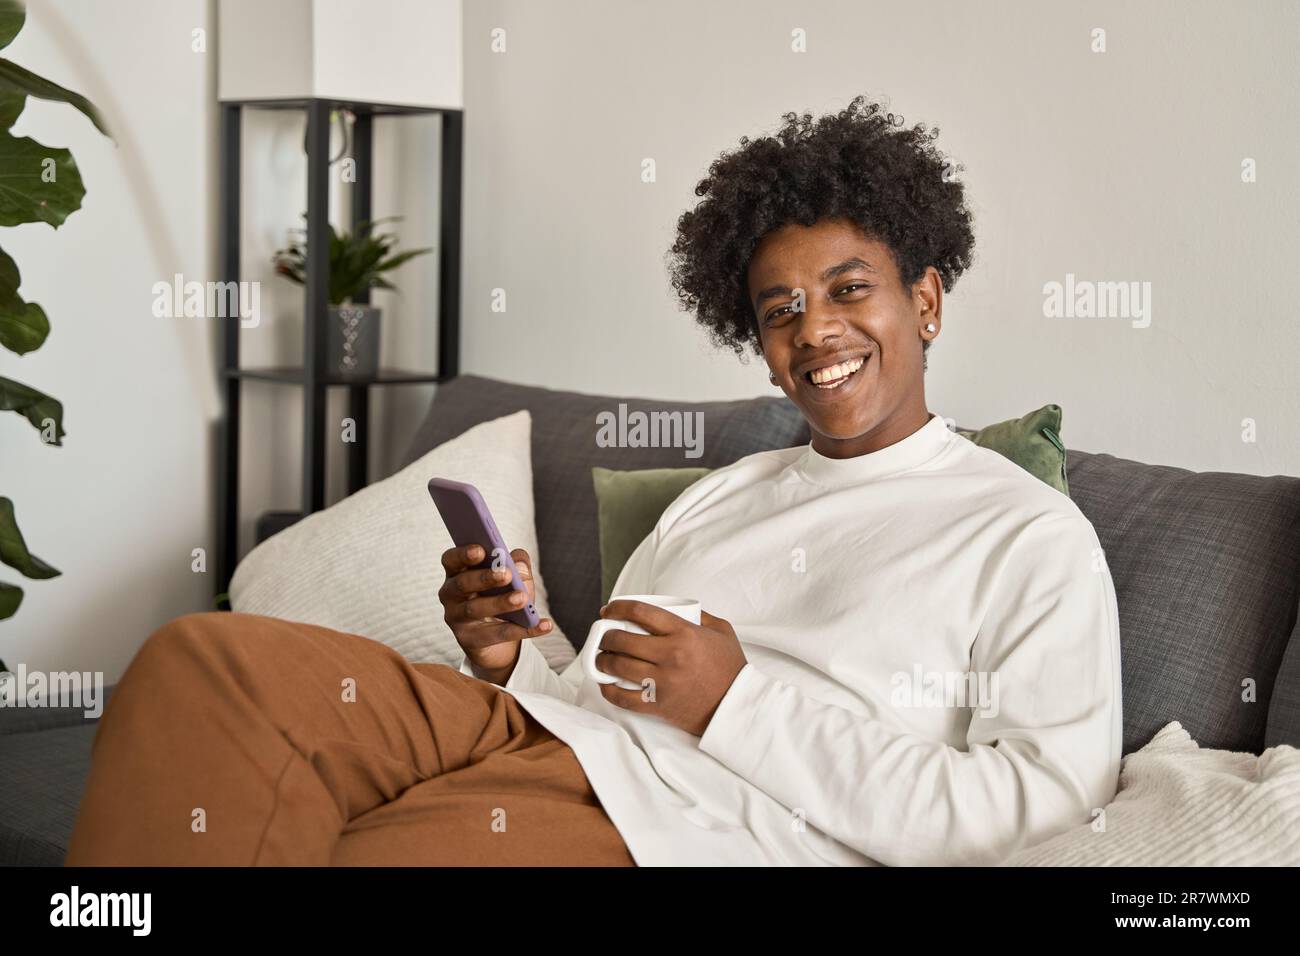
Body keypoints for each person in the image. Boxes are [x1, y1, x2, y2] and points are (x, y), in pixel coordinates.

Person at [67, 95, 1121, 866]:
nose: (817, 331)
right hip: (553, 738)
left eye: (850, 290)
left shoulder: (1024, 533)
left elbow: (1037, 810)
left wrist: (736, 703)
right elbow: (593, 697)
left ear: (925, 301)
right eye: (779, 309)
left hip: (690, 824)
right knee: (207, 659)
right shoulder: (725, 492)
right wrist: (508, 651)